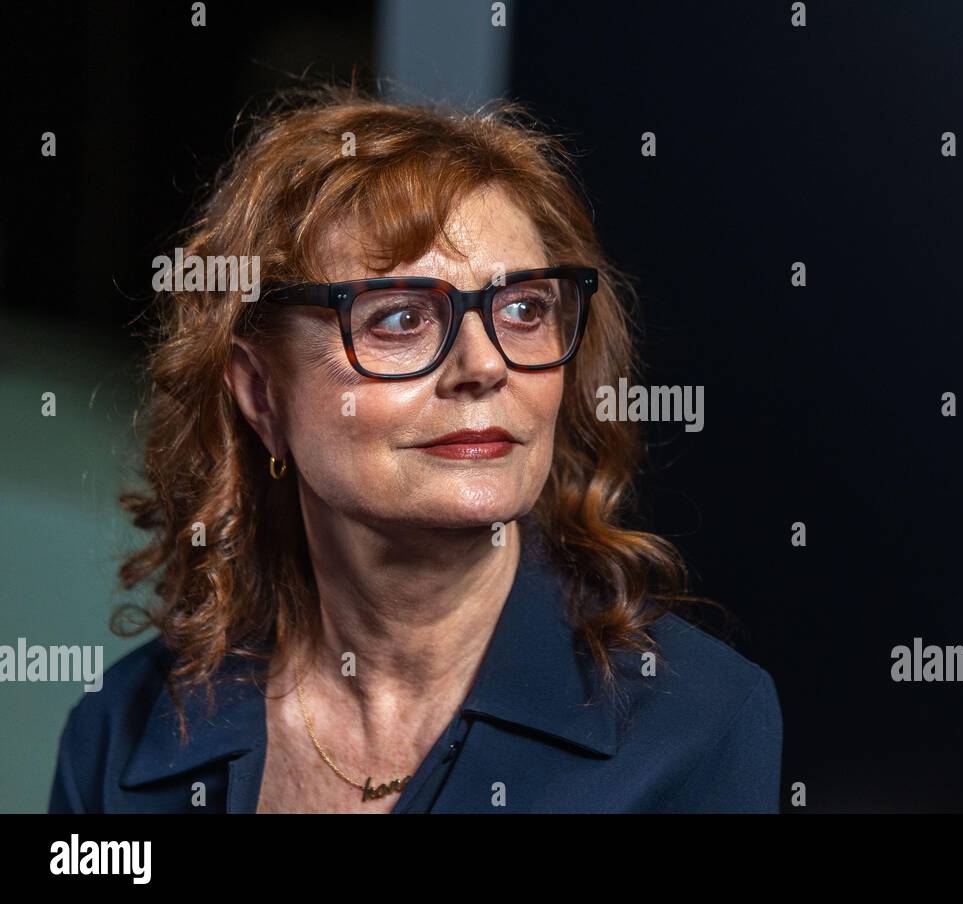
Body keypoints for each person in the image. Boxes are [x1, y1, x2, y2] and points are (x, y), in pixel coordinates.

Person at [47, 85, 783, 814]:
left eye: (523, 309)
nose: (484, 366)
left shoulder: (696, 725)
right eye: (400, 318)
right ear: (261, 394)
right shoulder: (120, 735)